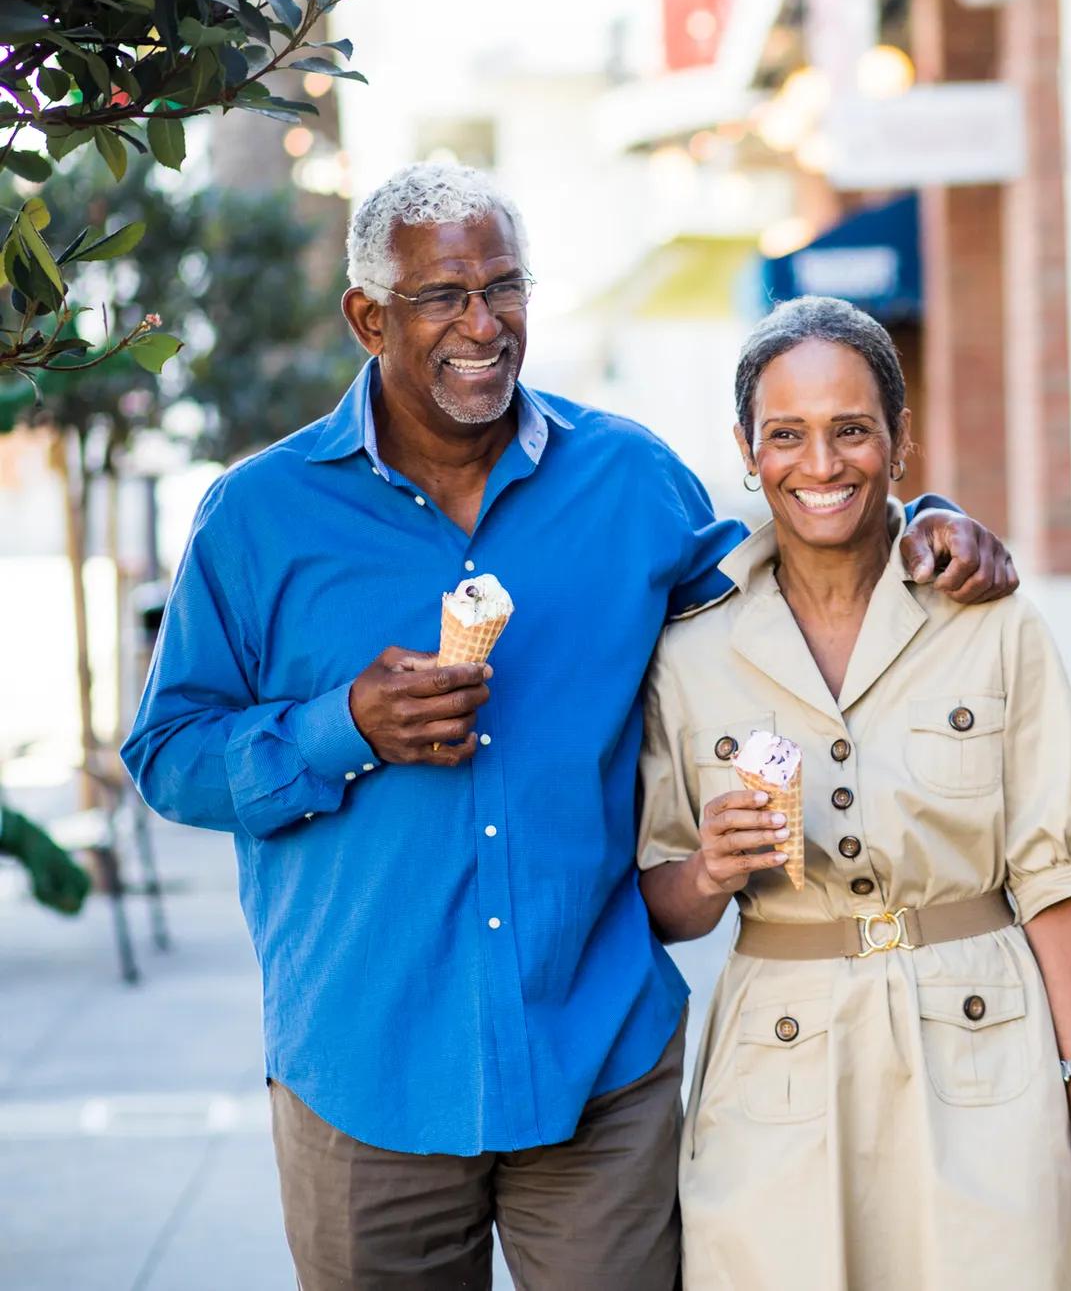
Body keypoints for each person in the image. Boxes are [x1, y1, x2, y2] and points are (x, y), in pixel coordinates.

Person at [120, 164, 1017, 1290]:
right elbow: (167, 757)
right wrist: (340, 726)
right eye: (442, 297)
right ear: (367, 317)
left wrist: (923, 516)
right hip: (365, 1070)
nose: (482, 326)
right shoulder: (258, 514)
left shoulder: (628, 481)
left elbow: (788, 576)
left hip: (596, 1062)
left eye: (504, 288)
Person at [637, 296, 1071, 1291]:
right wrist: (710, 867)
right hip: (774, 1065)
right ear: (746, 450)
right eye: (785, 435)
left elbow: (1057, 875)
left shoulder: (990, 622)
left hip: (985, 1054)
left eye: (851, 431)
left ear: (900, 441)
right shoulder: (691, 648)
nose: (820, 465)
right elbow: (658, 899)